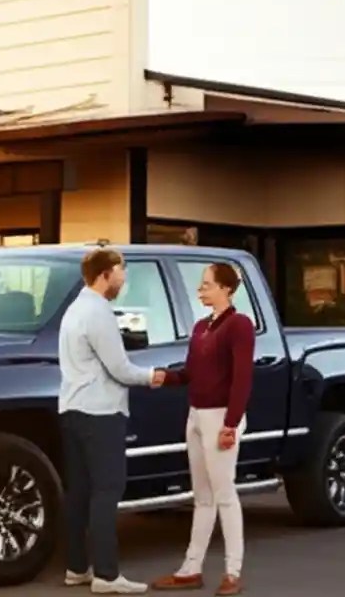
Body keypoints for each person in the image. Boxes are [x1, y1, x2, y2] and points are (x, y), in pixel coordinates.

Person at [58, 247, 167, 595]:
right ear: (105, 274)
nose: (124, 277)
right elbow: (119, 368)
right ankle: (106, 575)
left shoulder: (74, 309)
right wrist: (152, 376)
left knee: (79, 492)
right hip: (101, 413)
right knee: (107, 491)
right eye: (121, 270)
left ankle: (76, 568)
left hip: (72, 409)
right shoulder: (99, 312)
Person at [151, 262, 255, 596]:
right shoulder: (200, 327)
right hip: (196, 415)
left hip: (221, 417)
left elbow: (242, 378)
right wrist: (166, 377)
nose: (201, 290)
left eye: (207, 284)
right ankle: (191, 568)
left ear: (226, 288)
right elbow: (191, 372)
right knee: (203, 496)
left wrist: (231, 424)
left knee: (225, 494)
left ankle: (233, 572)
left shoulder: (240, 325)